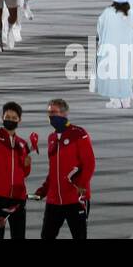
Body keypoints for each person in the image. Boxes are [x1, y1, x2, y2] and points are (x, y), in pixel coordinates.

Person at [36, 99, 94, 239]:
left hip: (75, 199)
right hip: (54, 200)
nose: (51, 116)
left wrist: (81, 184)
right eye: (49, 113)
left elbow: (89, 163)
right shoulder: (51, 138)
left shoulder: (79, 133)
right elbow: (53, 171)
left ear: (64, 113)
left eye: (54, 112)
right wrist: (44, 190)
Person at [0, 101, 33, 239]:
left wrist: (27, 165)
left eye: (14, 118)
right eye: (7, 117)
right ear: (2, 117)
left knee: (19, 235)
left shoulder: (23, 144)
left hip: (18, 197)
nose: (10, 120)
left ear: (19, 120)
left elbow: (25, 173)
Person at [94, 0, 133, 108]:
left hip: (111, 48)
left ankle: (115, 100)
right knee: (126, 73)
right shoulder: (131, 13)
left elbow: (100, 28)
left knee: (112, 73)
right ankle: (126, 99)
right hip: (128, 48)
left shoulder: (107, 12)